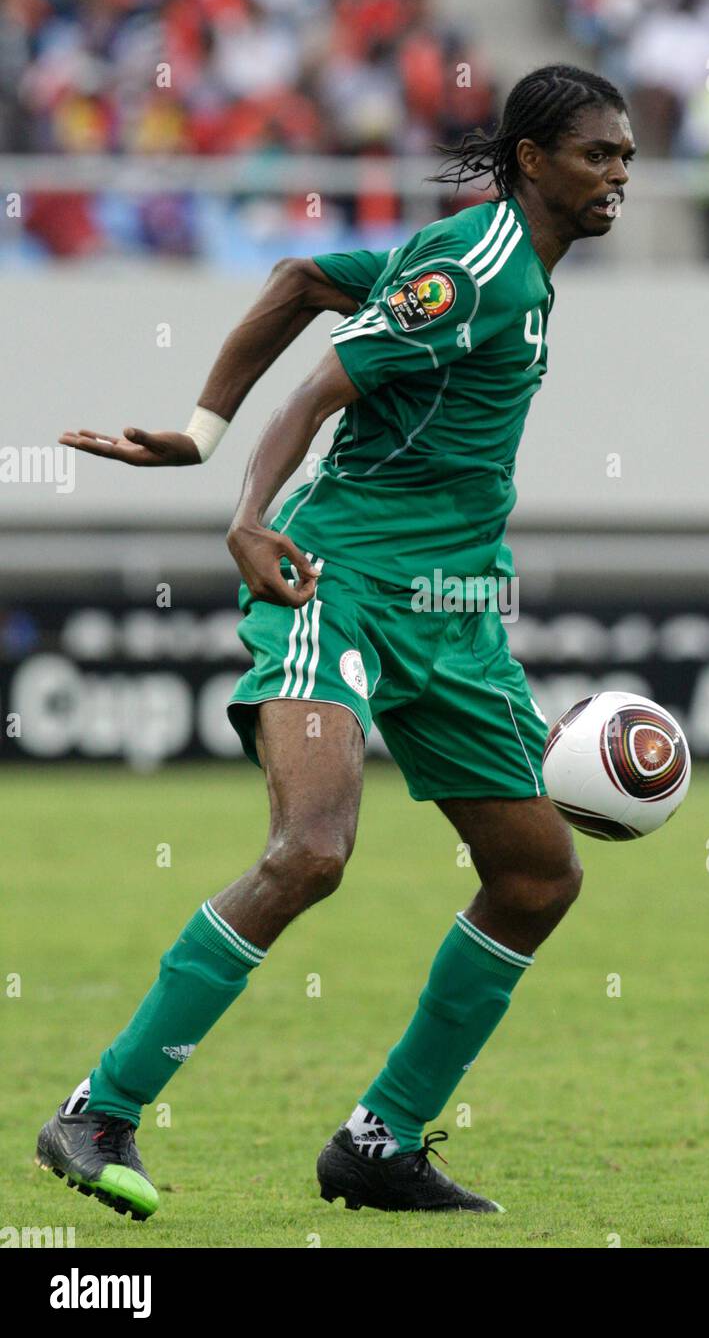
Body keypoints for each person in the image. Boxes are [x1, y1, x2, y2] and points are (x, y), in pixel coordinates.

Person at [42, 63, 635, 1219]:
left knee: (534, 873)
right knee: (311, 849)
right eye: (593, 155)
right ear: (529, 160)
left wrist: (199, 427)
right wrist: (246, 509)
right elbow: (321, 387)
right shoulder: (477, 269)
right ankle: (97, 1109)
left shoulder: (497, 259)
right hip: (338, 582)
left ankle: (380, 1140)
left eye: (623, 158)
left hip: (455, 613)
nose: (615, 175)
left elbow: (304, 275)